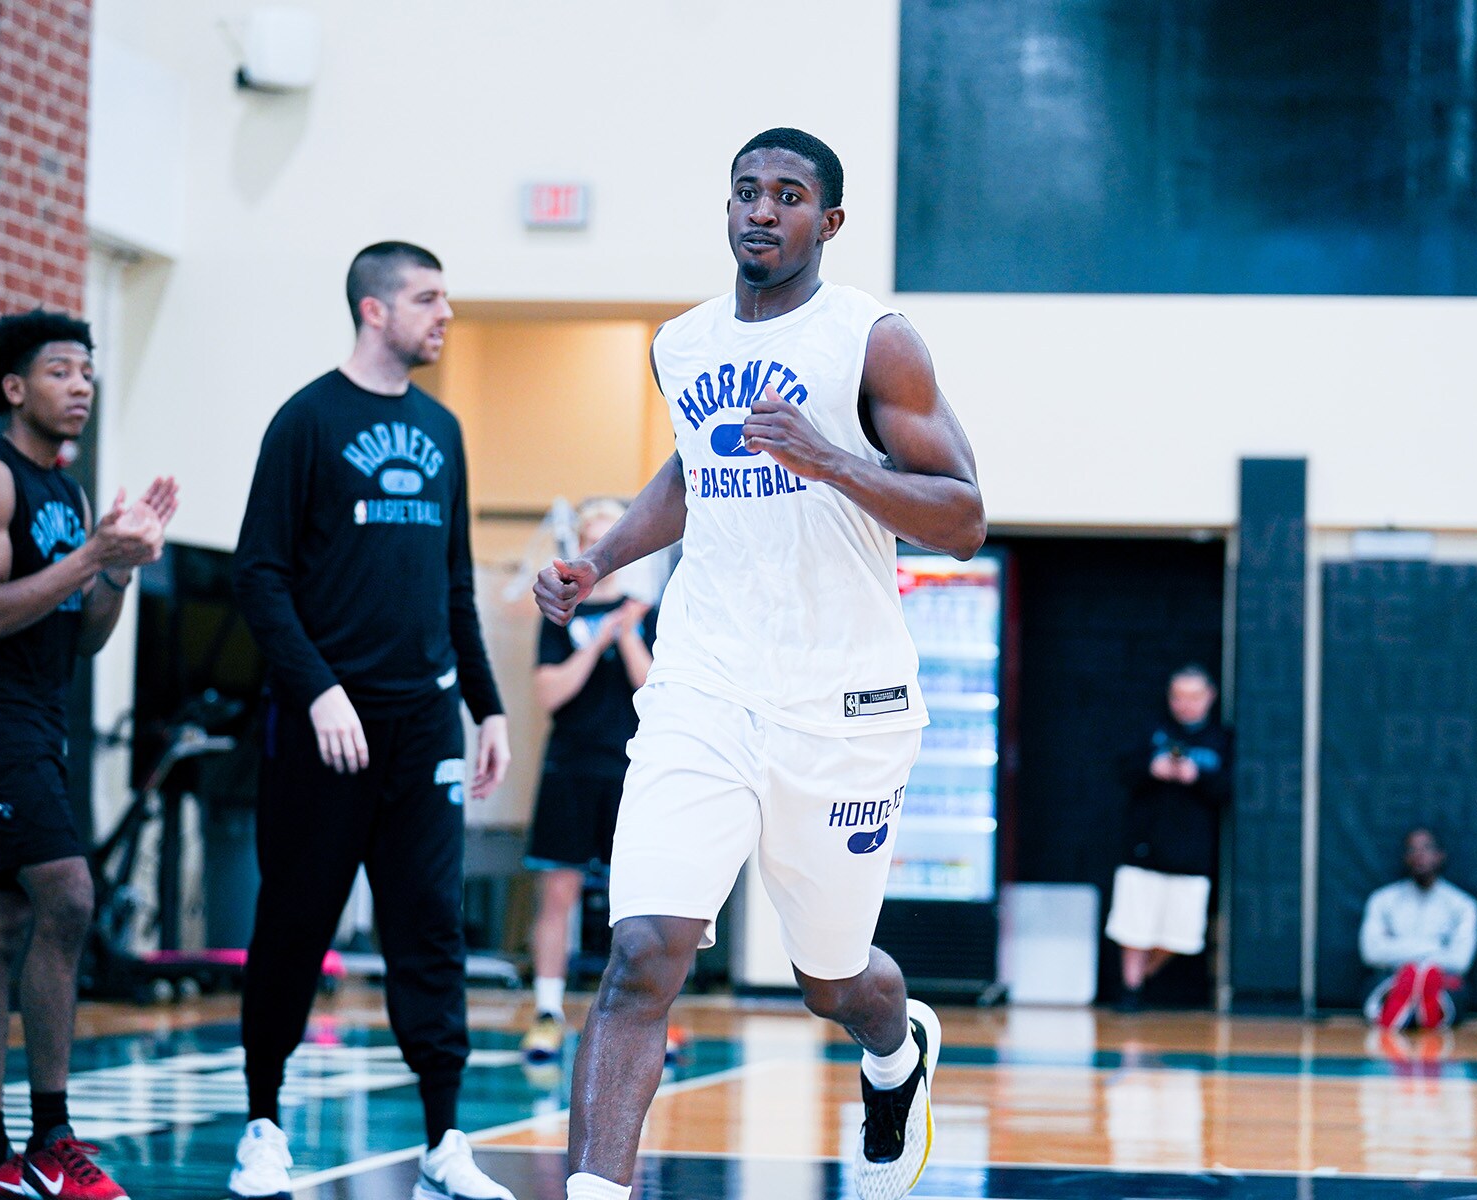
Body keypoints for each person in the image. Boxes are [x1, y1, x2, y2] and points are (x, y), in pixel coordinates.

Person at [534, 127, 986, 1200]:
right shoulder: (682, 344)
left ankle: (897, 1049)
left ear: (826, 222)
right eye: (746, 191)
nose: (761, 210)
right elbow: (689, 473)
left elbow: (963, 517)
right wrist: (599, 560)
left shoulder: (874, 340)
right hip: (704, 687)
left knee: (833, 980)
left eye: (788, 196)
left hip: (843, 707)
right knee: (645, 948)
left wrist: (829, 457)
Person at [228, 243, 513, 1200]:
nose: (444, 315)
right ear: (372, 309)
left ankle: (444, 1137)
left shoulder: (443, 429)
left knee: (429, 927)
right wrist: (315, 688)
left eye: (446, 298)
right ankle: (262, 1122)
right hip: (323, 728)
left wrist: (487, 705)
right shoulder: (305, 422)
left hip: (423, 724)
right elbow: (257, 576)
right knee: (296, 922)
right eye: (427, 299)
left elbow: (456, 584)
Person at [0, 309, 177, 1200]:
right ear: (15, 388)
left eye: (89, 373)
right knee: (69, 894)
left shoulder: (66, 491)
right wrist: (92, 552)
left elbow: (84, 637)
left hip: (38, 714)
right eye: (62, 371)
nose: (82, 386)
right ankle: (51, 1137)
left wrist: (119, 567)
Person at [520, 498, 655, 1063]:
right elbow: (549, 693)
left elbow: (655, 693)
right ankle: (548, 1011)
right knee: (558, 893)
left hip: (634, 770)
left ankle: (644, 1016)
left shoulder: (650, 613)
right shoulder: (560, 615)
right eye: (593, 536)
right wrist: (595, 639)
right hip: (570, 768)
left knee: (644, 902)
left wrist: (624, 634)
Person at [1103, 665, 1232, 1012]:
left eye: (1194, 696)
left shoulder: (1221, 739)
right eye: (1179, 696)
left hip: (1192, 854)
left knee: (1181, 935)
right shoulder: (1151, 731)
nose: (1186, 704)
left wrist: (1197, 777)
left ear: (1209, 697)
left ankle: (1140, 977)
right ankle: (1130, 991)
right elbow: (1121, 770)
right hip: (1144, 848)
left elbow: (1230, 790)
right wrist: (1152, 768)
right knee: (1134, 927)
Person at [1360, 828, 1477, 1030]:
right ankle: (1403, 1004)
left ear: (1440, 855)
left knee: (1456, 990)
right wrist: (1432, 950)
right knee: (1374, 987)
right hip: (1393, 978)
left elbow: (1461, 961)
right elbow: (1371, 953)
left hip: (1440, 980)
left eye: (1426, 848)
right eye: (1412, 850)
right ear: (1405, 857)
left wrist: (1405, 954)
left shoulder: (1463, 904)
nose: (1419, 855)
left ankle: (1428, 1010)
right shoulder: (1382, 899)